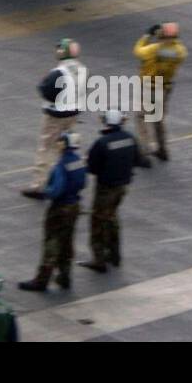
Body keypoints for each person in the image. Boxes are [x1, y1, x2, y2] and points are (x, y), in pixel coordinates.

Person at [19, 132, 87, 292]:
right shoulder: (79, 162)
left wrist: (45, 192)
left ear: (64, 144)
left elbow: (55, 190)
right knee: (67, 242)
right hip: (74, 205)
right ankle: (65, 276)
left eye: (60, 141)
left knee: (52, 243)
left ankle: (41, 280)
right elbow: (84, 182)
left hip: (60, 208)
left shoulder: (61, 166)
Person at [24, 39, 86, 198]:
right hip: (73, 113)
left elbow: (46, 91)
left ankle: (39, 184)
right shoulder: (81, 69)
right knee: (67, 145)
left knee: (46, 148)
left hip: (55, 115)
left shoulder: (59, 72)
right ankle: (63, 179)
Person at [82, 110, 138, 273]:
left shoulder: (102, 143)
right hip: (122, 187)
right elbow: (138, 159)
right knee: (112, 217)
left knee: (98, 221)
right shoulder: (130, 138)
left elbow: (91, 167)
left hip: (105, 188)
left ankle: (98, 259)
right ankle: (115, 254)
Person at [132, 22, 187, 162]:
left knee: (141, 117)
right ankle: (162, 150)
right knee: (158, 120)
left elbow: (137, 50)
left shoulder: (152, 49)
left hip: (148, 87)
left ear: (161, 35)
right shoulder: (180, 52)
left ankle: (145, 151)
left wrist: (147, 35)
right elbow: (176, 46)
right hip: (164, 89)